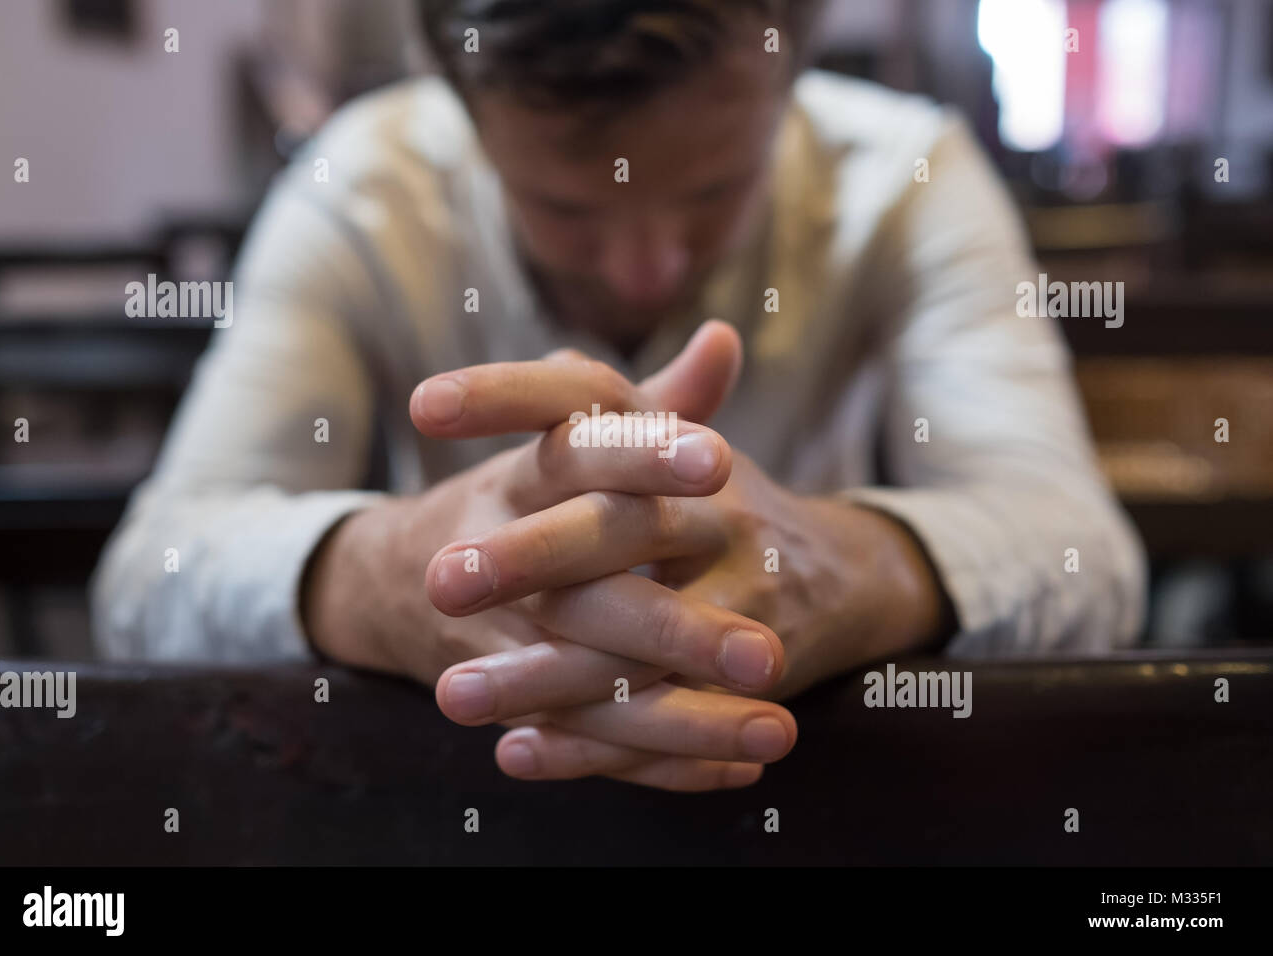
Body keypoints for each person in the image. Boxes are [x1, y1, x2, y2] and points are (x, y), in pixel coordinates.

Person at [92, 0, 1146, 791]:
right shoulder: (362, 186)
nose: (646, 270)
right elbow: (148, 573)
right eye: (563, 205)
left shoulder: (907, 172)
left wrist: (854, 564)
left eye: (713, 192)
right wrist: (383, 576)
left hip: (825, 790)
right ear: (462, 110)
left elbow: (1082, 551)